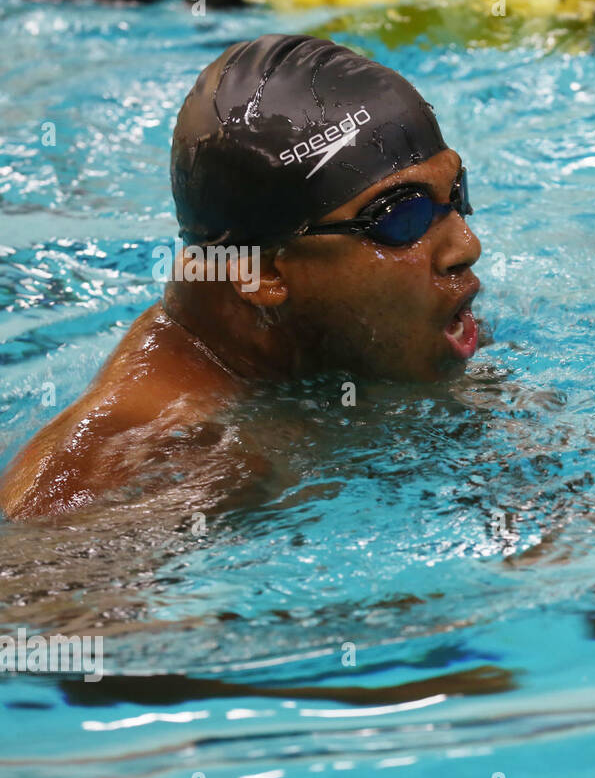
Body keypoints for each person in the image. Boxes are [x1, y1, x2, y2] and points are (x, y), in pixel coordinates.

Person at [1, 34, 481, 520]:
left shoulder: (364, 340)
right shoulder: (137, 474)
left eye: (455, 192)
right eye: (402, 217)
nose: (466, 246)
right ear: (263, 271)